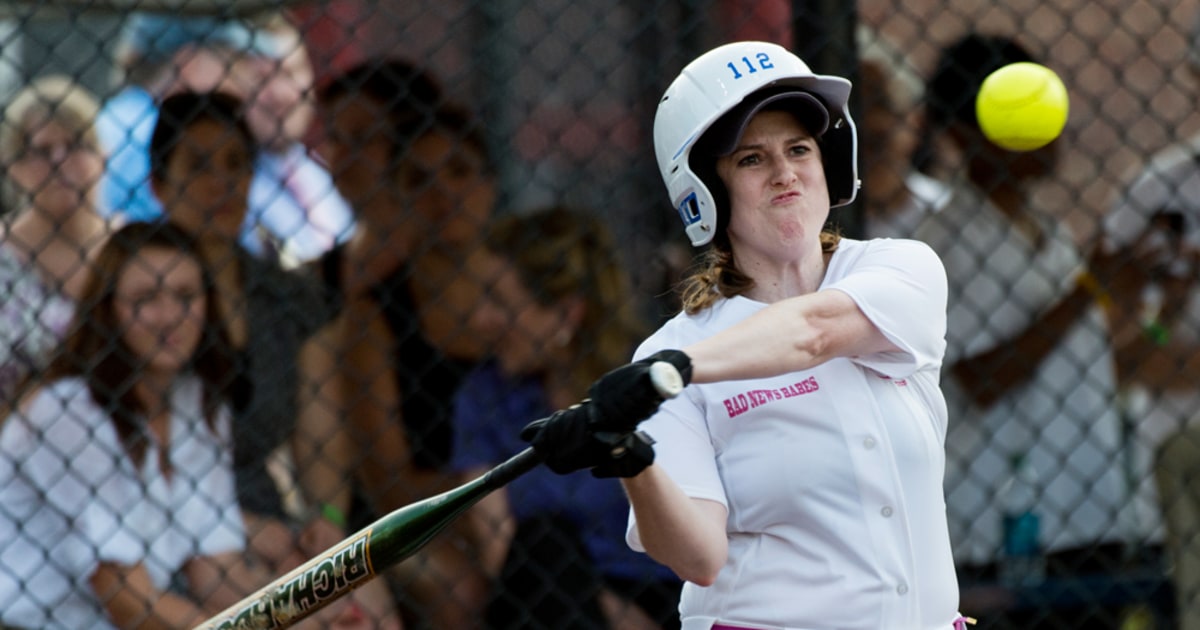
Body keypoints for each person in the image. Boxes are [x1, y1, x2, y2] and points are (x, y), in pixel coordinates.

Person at [520, 40, 967, 629]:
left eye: (799, 148)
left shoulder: (899, 269)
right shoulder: (669, 351)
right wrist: (629, 458)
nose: (785, 173)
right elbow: (698, 557)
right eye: (751, 159)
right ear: (705, 189)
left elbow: (812, 332)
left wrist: (674, 372)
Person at [908, 33, 1142, 623]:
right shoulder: (943, 243)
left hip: (1084, 508)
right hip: (1000, 522)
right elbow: (982, 379)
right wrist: (1087, 289)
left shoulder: (1050, 230)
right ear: (962, 135)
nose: (1048, 131)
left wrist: (1123, 291)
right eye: (1016, 115)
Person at [147, 89, 399, 627]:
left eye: (236, 163)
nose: (222, 183)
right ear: (159, 185)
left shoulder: (288, 297)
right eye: (199, 165)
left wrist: (325, 521)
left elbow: (319, 436)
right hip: (162, 527)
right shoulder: (141, 298)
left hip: (269, 517)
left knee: (369, 605)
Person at [302, 62, 499, 629]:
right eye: (420, 179)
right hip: (422, 517)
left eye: (459, 172)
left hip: (522, 501)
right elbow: (386, 478)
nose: (443, 194)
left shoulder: (525, 289)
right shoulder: (373, 313)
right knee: (457, 586)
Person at [0, 222, 261, 628]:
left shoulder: (197, 400)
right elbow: (128, 601)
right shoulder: (67, 411)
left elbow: (215, 570)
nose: (170, 316)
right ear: (108, 309)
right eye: (145, 299)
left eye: (185, 296)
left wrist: (307, 617)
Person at [452, 206, 683, 630]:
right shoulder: (483, 396)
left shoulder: (652, 381)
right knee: (544, 544)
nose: (480, 320)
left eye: (498, 301)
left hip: (669, 593)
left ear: (565, 313)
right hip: (552, 600)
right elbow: (499, 552)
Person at [97, 12, 353, 263]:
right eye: (234, 62)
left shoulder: (243, 140)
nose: (242, 82)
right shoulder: (138, 133)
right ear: (189, 64)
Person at [0, 76, 110, 407]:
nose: (60, 161)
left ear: (102, 157)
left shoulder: (132, 247)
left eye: (75, 145)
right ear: (13, 167)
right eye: (42, 151)